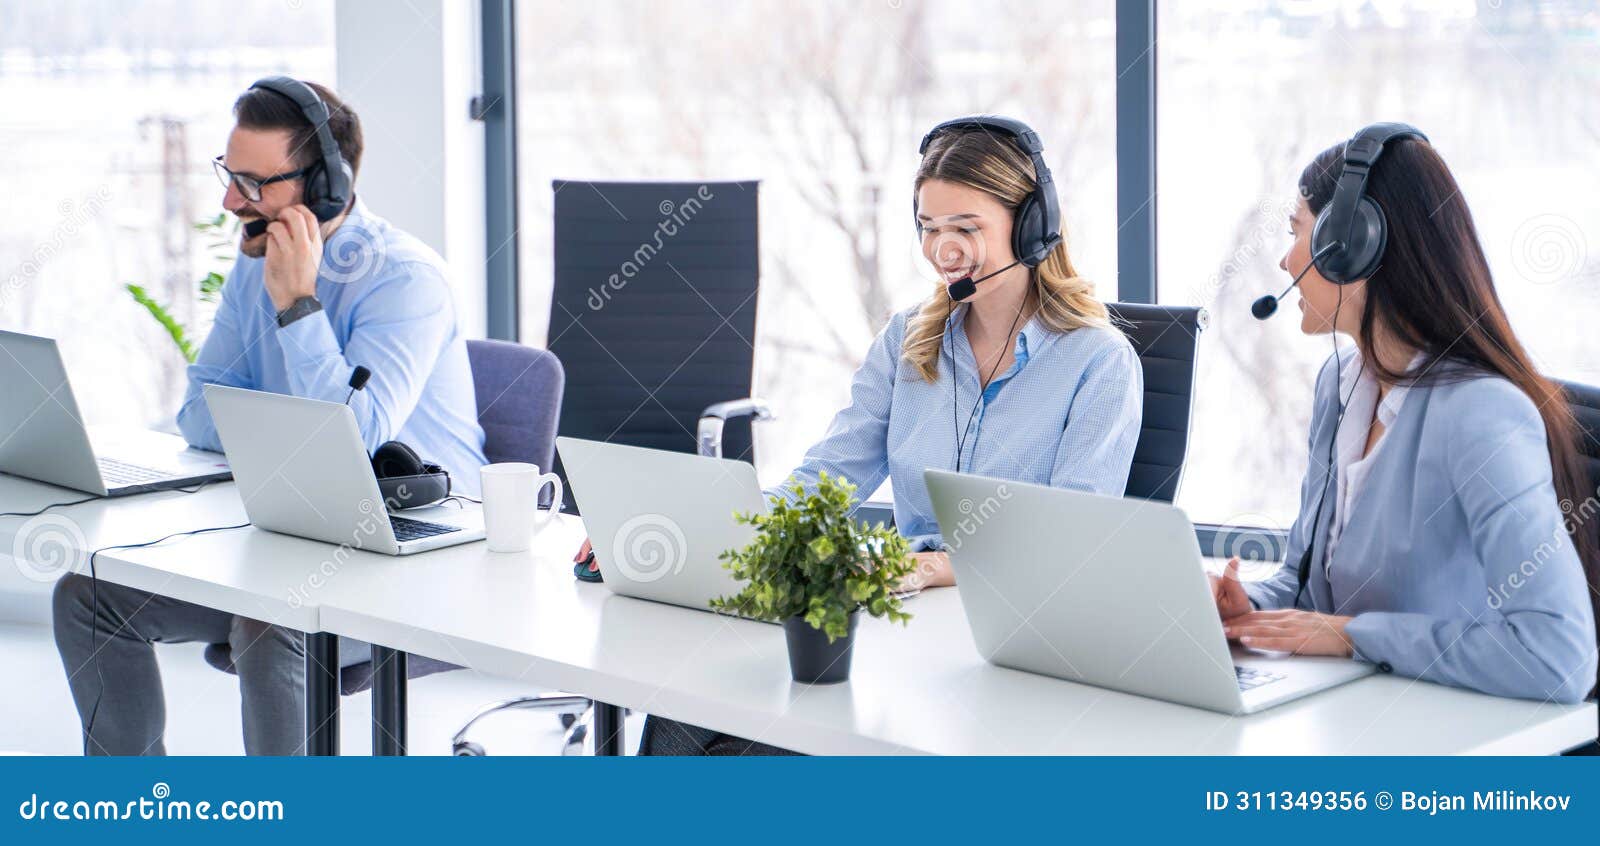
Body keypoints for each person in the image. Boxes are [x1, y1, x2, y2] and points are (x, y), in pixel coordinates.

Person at [579, 116, 1145, 754]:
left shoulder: (1098, 362)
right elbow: (829, 476)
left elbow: (1069, 543)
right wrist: (692, 530)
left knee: (748, 750)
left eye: (966, 228)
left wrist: (932, 566)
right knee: (683, 706)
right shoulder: (910, 339)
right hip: (899, 622)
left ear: (1032, 226)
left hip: (1005, 644)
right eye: (929, 227)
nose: (943, 250)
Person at [52, 78, 488, 755]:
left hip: (419, 553)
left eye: (253, 184)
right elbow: (198, 414)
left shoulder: (406, 280)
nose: (230, 202)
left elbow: (356, 440)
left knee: (270, 623)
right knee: (87, 597)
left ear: (328, 188)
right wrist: (294, 438)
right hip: (296, 534)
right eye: (229, 175)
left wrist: (298, 308)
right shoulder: (252, 266)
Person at [1211, 124, 1598, 704]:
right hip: (1355, 715)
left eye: (1297, 232)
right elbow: (1311, 585)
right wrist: (1251, 607)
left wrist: (1355, 637)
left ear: (1351, 245)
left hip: (1458, 735)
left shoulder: (1481, 414)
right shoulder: (1340, 384)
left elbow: (1559, 657)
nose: (1285, 260)